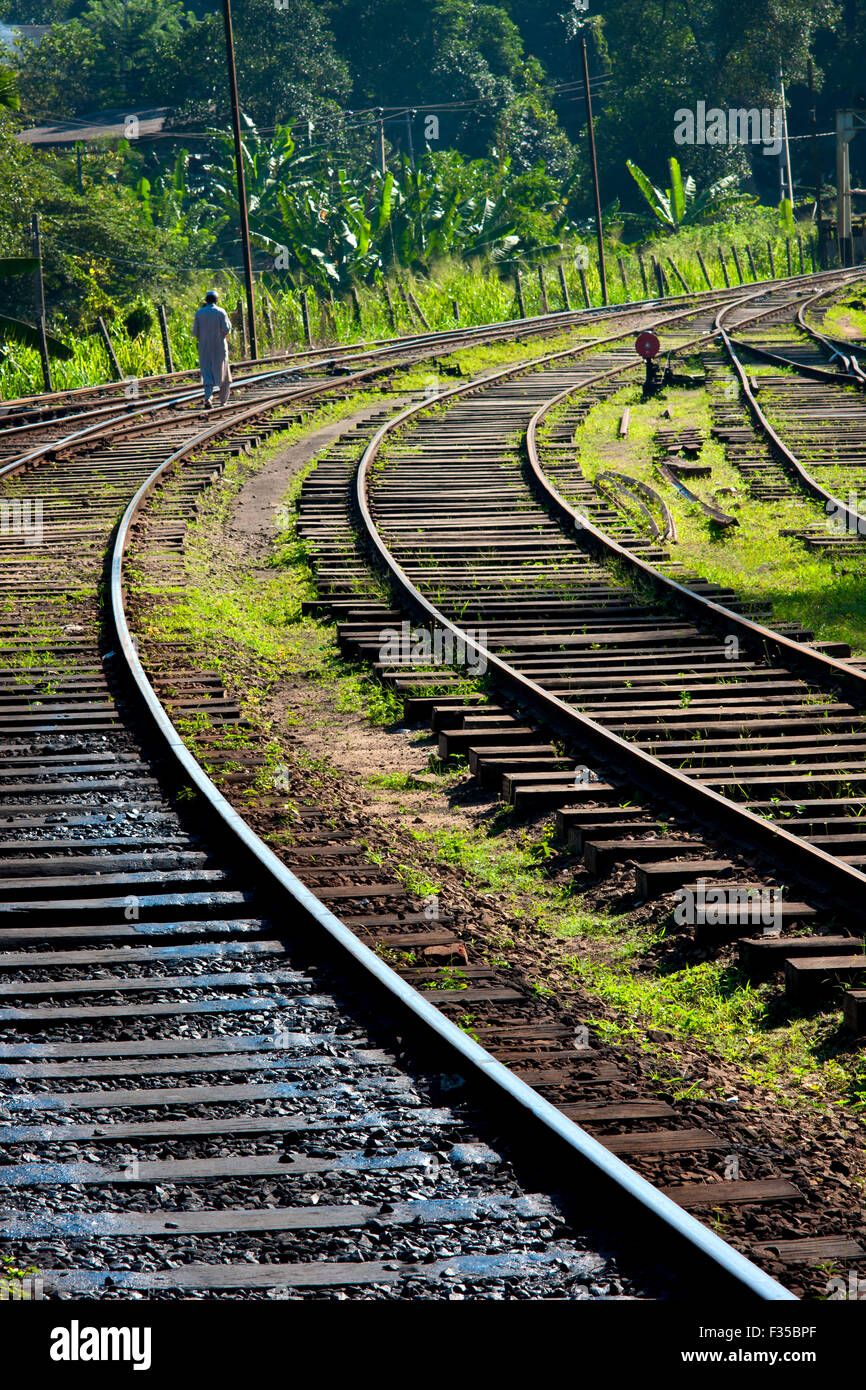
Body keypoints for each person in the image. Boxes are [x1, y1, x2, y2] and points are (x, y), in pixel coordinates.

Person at [192, 290, 232, 408]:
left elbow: (195, 332)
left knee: (206, 371)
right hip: (219, 346)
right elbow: (226, 329)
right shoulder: (220, 312)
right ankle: (223, 401)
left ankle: (208, 397)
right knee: (223, 373)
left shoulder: (199, 313)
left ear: (206, 300)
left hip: (204, 346)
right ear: (216, 300)